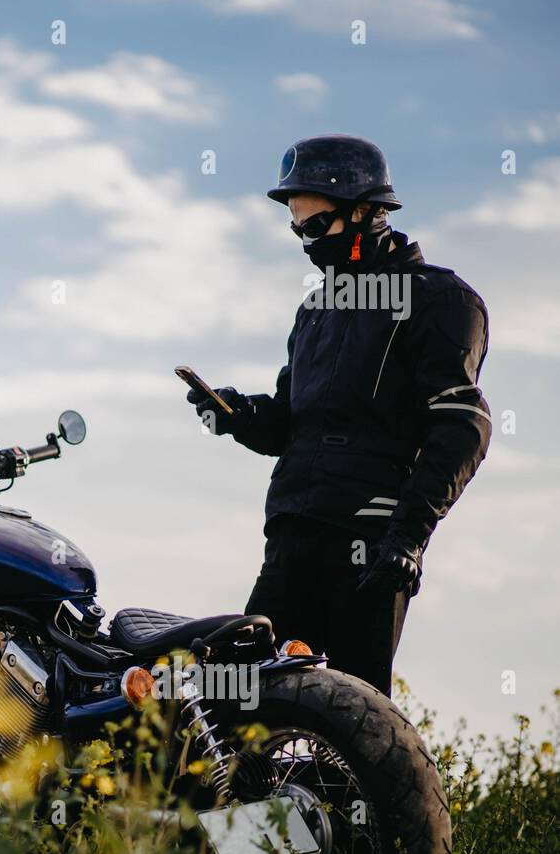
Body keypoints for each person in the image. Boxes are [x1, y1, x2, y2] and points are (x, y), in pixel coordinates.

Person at [187, 134, 491, 696]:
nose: (305, 243)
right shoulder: (315, 310)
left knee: (354, 721)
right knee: (232, 700)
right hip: (290, 537)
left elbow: (463, 427)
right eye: (296, 229)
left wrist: (408, 538)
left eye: (315, 227)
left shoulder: (441, 300)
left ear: (364, 213)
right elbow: (288, 426)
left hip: (370, 546)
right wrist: (235, 413)